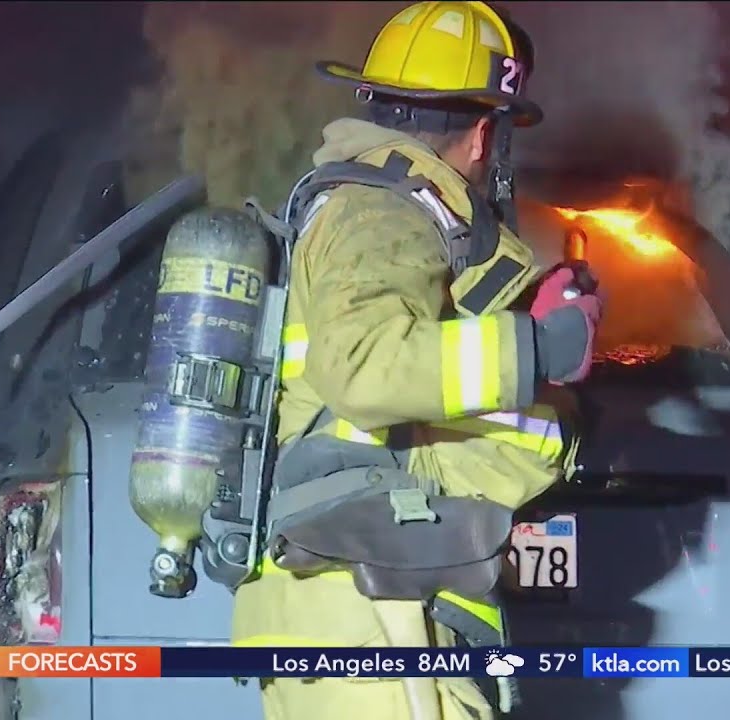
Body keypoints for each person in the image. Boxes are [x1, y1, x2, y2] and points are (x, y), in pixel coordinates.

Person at [230, 2, 602, 719]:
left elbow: (423, 403)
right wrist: (540, 345)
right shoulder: (380, 212)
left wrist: (532, 340)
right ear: (485, 134)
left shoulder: (388, 213)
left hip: (373, 612)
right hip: (369, 621)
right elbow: (365, 363)